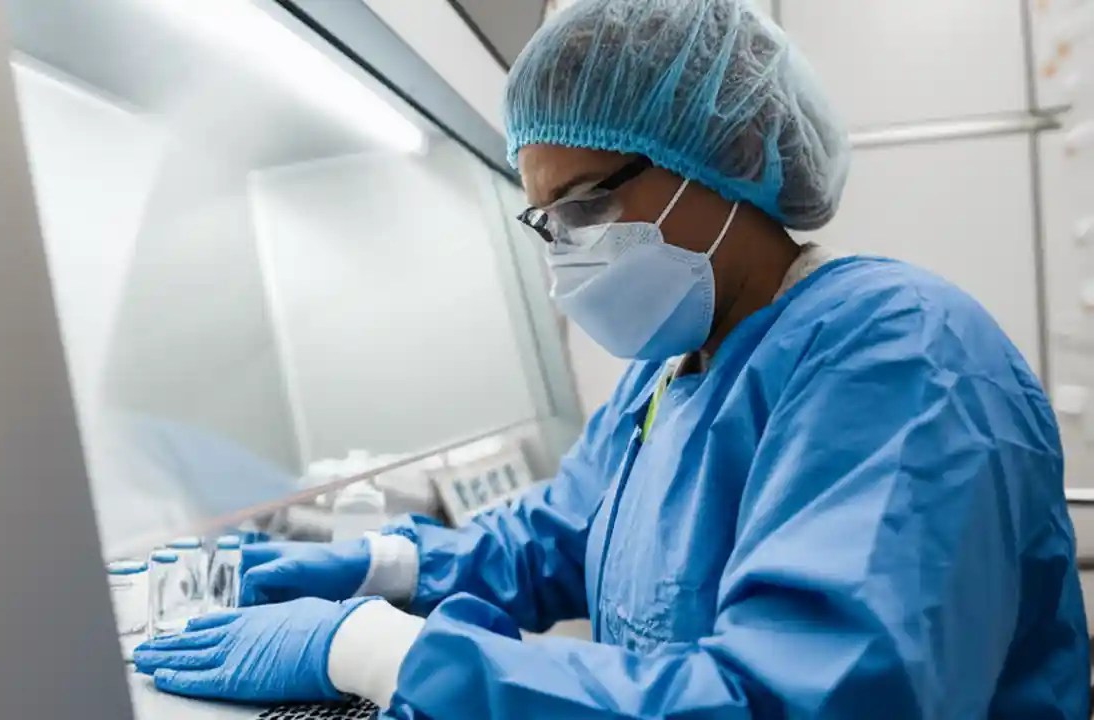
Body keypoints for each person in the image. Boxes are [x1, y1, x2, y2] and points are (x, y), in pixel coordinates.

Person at [132, 0, 1090, 716]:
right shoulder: (674, 369)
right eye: (547, 223)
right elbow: (555, 539)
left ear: (736, 144)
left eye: (586, 207)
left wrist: (379, 653)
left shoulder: (905, 361)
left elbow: (801, 700)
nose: (566, 255)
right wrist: (372, 570)